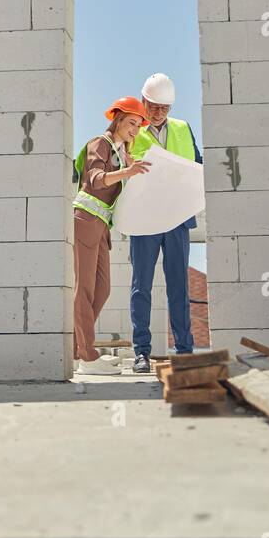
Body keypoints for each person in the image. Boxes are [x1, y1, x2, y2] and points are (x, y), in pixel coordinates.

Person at [128, 73, 202, 373]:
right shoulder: (131, 131)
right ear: (143, 101)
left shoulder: (183, 129)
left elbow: (196, 165)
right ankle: (141, 353)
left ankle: (185, 351)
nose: (158, 112)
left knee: (179, 288)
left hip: (177, 219)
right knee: (141, 287)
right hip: (144, 220)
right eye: (153, 105)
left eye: (164, 107)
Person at [72, 97, 151, 375]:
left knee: (102, 289)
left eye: (139, 126)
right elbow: (95, 179)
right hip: (85, 220)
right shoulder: (99, 143)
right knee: (85, 289)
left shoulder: (119, 151)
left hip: (100, 226)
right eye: (132, 123)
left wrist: (129, 170)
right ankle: (87, 355)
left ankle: (78, 349)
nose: (135, 130)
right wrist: (126, 171)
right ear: (117, 119)